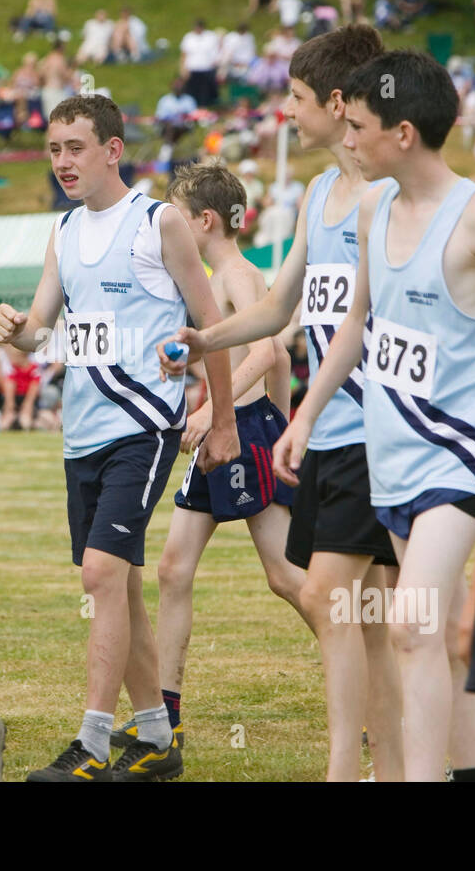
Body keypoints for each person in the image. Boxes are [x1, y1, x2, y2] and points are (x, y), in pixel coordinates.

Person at [250, 49, 475, 782]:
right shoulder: (375, 207)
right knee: (446, 639)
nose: (349, 136)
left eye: (360, 125)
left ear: (403, 133)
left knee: (410, 624)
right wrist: (304, 414)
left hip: (460, 459)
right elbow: (357, 326)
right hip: (388, 455)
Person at [159, 26, 406, 781]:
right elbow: (277, 310)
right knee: (369, 623)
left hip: (381, 433)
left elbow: (352, 327)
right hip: (329, 434)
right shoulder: (316, 196)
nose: (287, 114)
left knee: (349, 605)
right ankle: (395, 763)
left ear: (336, 101)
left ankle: (354, 766)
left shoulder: (390, 196)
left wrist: (271, 414)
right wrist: (205, 341)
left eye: (296, 98)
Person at [0, 93, 240, 780]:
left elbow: (211, 320)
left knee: (99, 574)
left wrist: (222, 420)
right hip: (83, 432)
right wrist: (17, 333)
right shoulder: (63, 231)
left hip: (143, 425)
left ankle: (93, 743)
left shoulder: (158, 222)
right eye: (52, 149)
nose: (62, 161)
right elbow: (43, 330)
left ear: (112, 149)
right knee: (119, 582)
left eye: (74, 147)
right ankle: (157, 736)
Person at [109, 162, 302, 753]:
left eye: (176, 217)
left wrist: (239, 419)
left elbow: (271, 349)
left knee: (286, 577)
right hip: (231, 426)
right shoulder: (219, 275)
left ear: (205, 220)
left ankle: (372, 678)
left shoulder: (238, 274)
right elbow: (270, 362)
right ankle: (165, 718)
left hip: (238, 432)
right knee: (173, 569)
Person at [179, 19, 220, 107]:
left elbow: (216, 51)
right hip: (192, 68)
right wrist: (183, 68)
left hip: (206, 69)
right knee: (192, 91)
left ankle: (205, 106)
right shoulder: (188, 37)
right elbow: (184, 54)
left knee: (205, 91)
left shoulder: (210, 37)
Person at [1, 346, 42, 430]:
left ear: (22, 356)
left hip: (27, 399)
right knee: (5, 424)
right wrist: (10, 405)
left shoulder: (34, 369)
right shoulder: (12, 368)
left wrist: (27, 405)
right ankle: (13, 419)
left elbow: (34, 388)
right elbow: (9, 386)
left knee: (25, 422)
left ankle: (27, 422)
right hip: (15, 398)